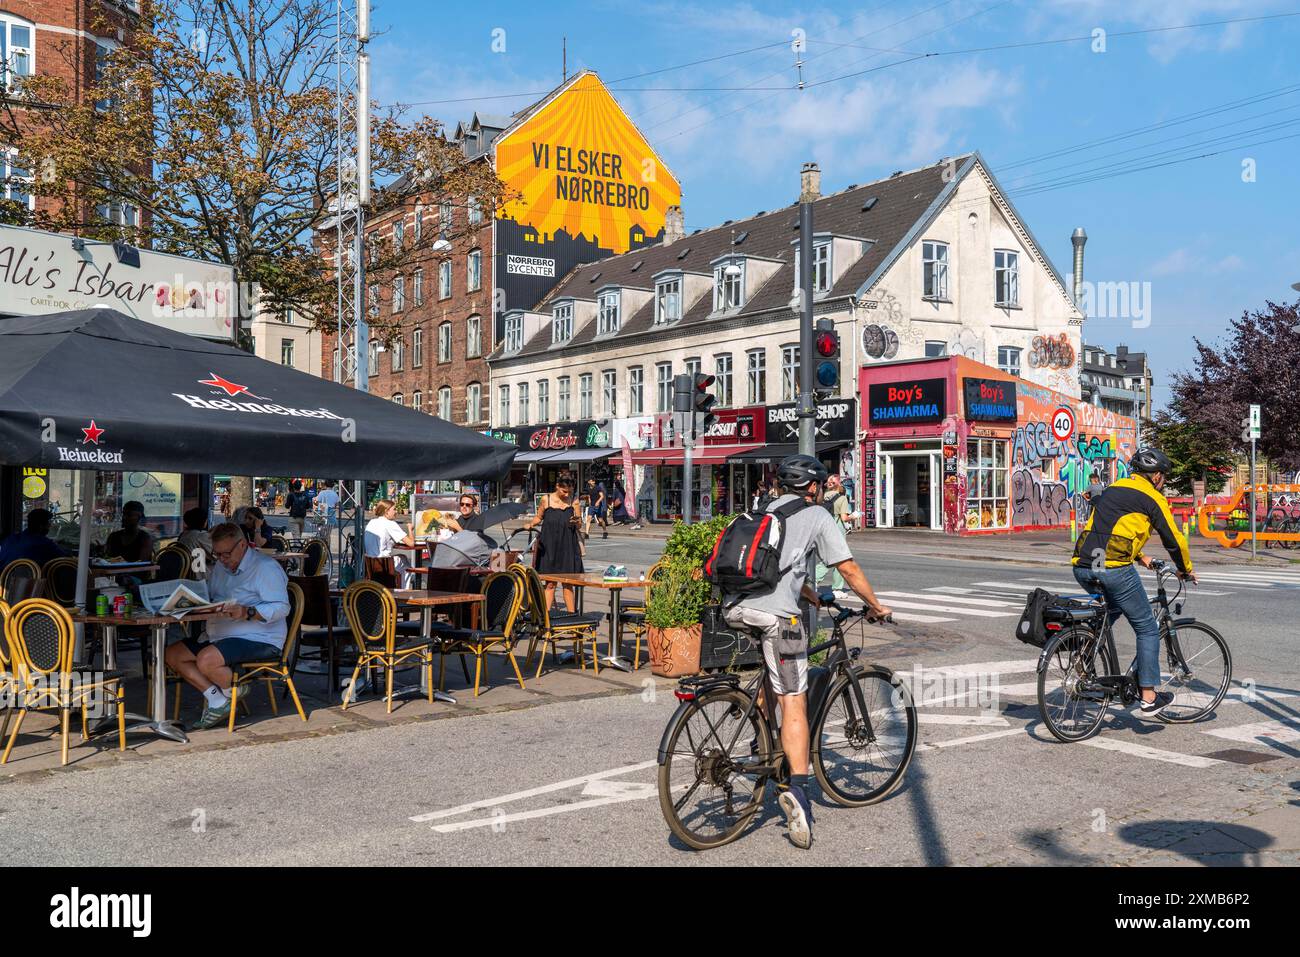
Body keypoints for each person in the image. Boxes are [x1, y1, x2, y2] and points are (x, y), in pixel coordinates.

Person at [721, 454, 892, 850]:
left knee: (772, 675)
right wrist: (876, 606)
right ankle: (798, 793)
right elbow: (847, 568)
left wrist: (810, 595)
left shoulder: (766, 509)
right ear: (814, 487)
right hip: (777, 618)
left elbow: (776, 565)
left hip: (736, 606)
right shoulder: (818, 516)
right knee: (794, 700)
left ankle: (760, 744)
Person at [1071, 448, 1197, 718]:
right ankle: (1149, 697)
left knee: (1113, 607)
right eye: (1163, 478)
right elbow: (1174, 540)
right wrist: (1185, 569)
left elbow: (1106, 528)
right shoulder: (1153, 498)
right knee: (1148, 628)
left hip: (1083, 566)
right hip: (1113, 569)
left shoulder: (1114, 488)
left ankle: (1085, 651)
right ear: (1158, 477)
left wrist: (1140, 557)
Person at [163, 522, 290, 731]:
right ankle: (218, 700)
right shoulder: (221, 567)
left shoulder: (264, 567)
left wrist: (249, 612)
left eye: (226, 554)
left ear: (242, 545)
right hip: (219, 635)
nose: (222, 560)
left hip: (258, 637)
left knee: (206, 660)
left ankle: (233, 689)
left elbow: (282, 607)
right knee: (173, 654)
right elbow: (212, 596)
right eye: (218, 554)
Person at [525, 475, 584, 612]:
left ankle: (572, 618)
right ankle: (545, 619)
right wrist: (530, 524)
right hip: (549, 545)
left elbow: (580, 525)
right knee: (550, 583)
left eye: (569, 491)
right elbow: (539, 517)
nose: (567, 494)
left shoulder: (574, 501)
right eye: (564, 491)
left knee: (568, 583)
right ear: (557, 486)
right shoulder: (546, 499)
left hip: (568, 545)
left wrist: (577, 521)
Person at [364, 499, 416, 586]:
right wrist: (410, 529)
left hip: (370, 562)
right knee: (404, 561)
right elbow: (411, 543)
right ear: (386, 511)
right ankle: (403, 591)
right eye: (394, 509)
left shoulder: (371, 522)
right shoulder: (390, 524)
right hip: (384, 563)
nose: (396, 512)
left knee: (402, 558)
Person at [818, 474, 853, 596]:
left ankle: (813, 580)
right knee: (840, 558)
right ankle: (836, 588)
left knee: (833, 557)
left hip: (825, 526)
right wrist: (855, 516)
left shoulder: (823, 496)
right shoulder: (842, 498)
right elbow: (844, 518)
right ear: (840, 484)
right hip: (837, 528)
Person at [0, 508, 69, 570]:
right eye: (48, 523)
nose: (50, 526)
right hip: (25, 583)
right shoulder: (44, 544)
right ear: (41, 526)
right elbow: (65, 559)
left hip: (3, 581)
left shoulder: (10, 539)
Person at [176, 507, 213, 574]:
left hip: (184, 572)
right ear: (204, 521)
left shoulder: (183, 534)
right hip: (197, 575)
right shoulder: (200, 536)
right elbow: (216, 553)